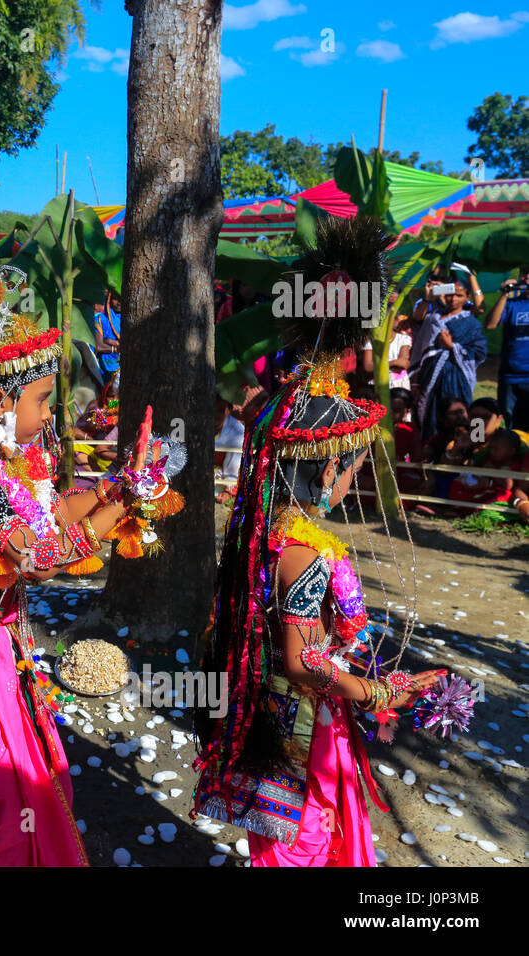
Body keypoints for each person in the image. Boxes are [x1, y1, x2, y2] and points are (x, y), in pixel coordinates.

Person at [0, 150, 184, 866]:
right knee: (7, 804)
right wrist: (128, 504)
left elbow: (52, 516)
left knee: (21, 797)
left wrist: (114, 491)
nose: (51, 413)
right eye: (42, 400)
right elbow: (42, 558)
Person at [193, 215, 444, 867]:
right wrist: (380, 692)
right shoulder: (305, 553)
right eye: (353, 461)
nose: (357, 472)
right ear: (327, 467)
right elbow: (305, 663)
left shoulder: (267, 534)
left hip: (280, 719)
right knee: (309, 846)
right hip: (300, 731)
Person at [410, 280, 488, 442]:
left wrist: (452, 346)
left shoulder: (471, 322)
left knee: (460, 413)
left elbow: (479, 352)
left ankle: (468, 448)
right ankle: (433, 449)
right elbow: (420, 347)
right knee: (433, 413)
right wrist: (428, 297)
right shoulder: (433, 318)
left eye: (459, 295)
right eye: (450, 294)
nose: (453, 299)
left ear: (467, 297)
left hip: (457, 377)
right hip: (431, 378)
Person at [486, 268, 529, 433]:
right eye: (524, 274)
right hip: (510, 376)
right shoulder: (511, 304)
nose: (526, 278)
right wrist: (504, 295)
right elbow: (490, 324)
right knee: (512, 424)